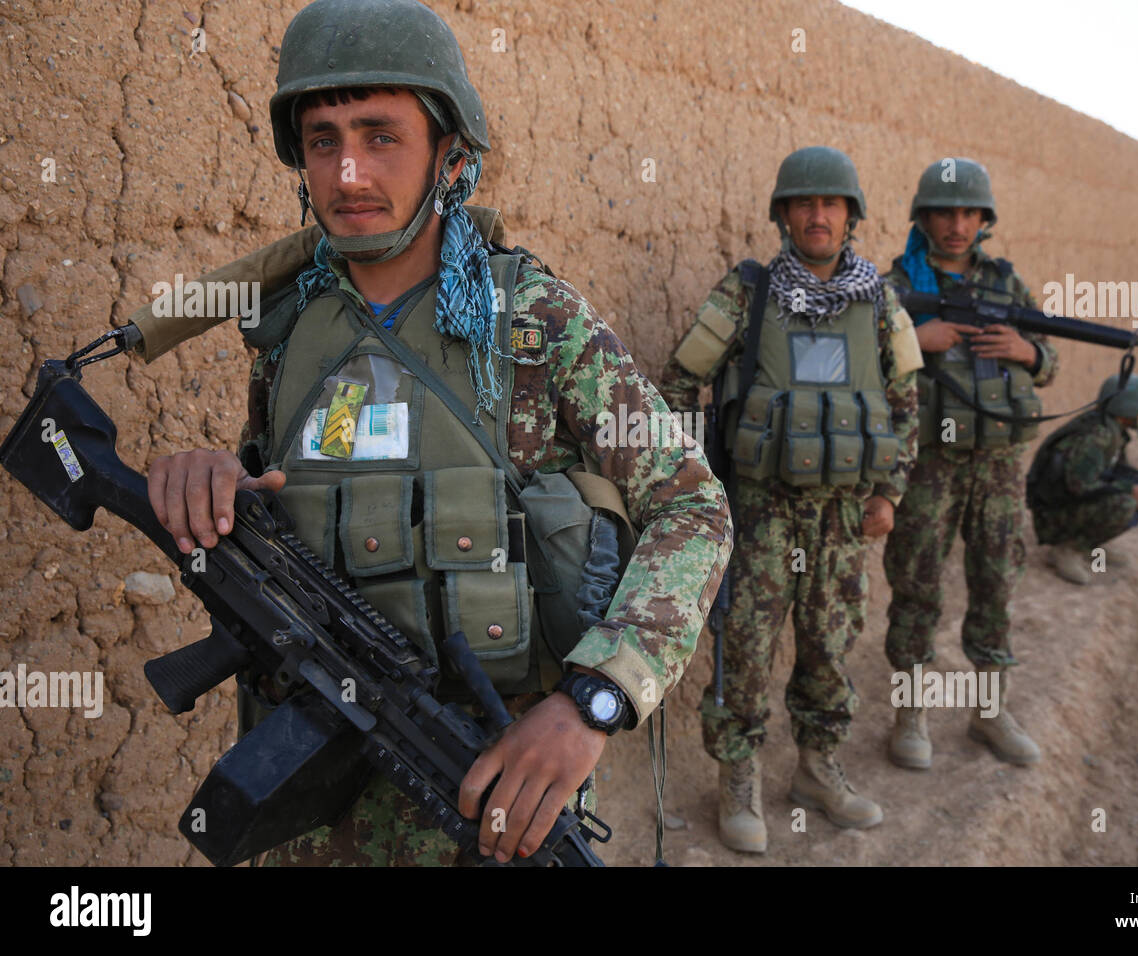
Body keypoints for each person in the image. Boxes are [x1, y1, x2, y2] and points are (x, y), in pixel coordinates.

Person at [134, 0, 732, 866]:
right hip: (312, 803)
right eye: (322, 139)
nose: (346, 174)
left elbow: (692, 507)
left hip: (489, 798)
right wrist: (214, 484)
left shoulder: (532, 319)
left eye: (381, 136)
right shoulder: (294, 331)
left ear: (450, 154)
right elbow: (273, 514)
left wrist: (597, 698)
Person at [659, 146, 922, 852]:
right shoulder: (747, 293)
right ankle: (738, 777)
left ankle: (816, 768)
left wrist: (889, 491)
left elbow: (904, 404)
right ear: (782, 216)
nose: (817, 215)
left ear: (851, 216)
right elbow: (680, 380)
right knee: (744, 645)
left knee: (831, 646)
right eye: (803, 203)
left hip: (843, 513)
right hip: (764, 511)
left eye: (830, 203)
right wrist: (699, 483)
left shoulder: (880, 302)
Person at [881, 157, 1058, 771]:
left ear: (984, 220)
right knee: (916, 586)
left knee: (996, 585)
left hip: (1000, 465)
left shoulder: (1006, 284)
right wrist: (914, 339)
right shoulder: (896, 285)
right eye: (944, 212)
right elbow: (861, 357)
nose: (956, 224)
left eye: (968, 213)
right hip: (930, 463)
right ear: (923, 218)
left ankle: (990, 711)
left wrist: (1027, 352)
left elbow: (1052, 359)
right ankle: (912, 715)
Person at [1026, 374, 1138, 585]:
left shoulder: (1110, 429)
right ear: (1126, 408)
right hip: (1053, 513)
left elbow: (1117, 470)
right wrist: (1130, 489)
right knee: (1126, 504)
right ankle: (1067, 549)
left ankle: (1090, 543)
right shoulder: (1096, 436)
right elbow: (1079, 484)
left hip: (1068, 503)